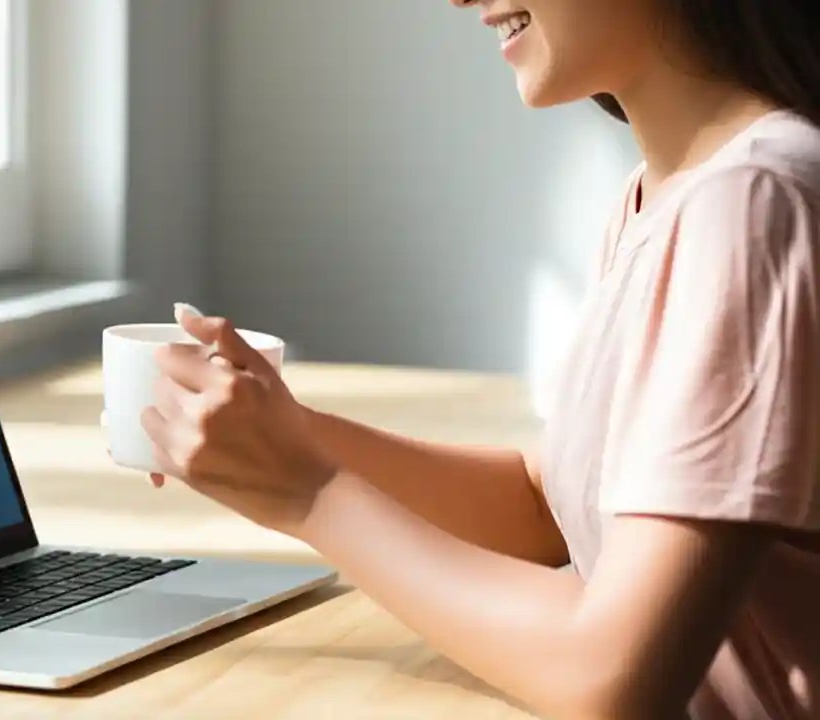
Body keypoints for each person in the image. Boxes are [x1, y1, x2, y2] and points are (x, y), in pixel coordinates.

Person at [141, 1, 820, 718]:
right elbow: (549, 508)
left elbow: (609, 679)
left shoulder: (756, 201)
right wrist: (282, 436)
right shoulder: (670, 194)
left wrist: (307, 493)